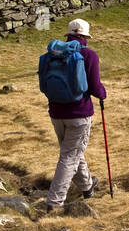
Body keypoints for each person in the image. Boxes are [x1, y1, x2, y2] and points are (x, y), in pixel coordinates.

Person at [43, 18, 106, 212]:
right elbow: (95, 87)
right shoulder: (89, 55)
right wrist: (103, 93)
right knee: (69, 156)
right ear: (85, 36)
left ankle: (87, 187)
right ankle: (54, 203)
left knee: (72, 152)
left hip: (56, 113)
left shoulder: (52, 54)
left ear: (68, 35)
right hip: (79, 114)